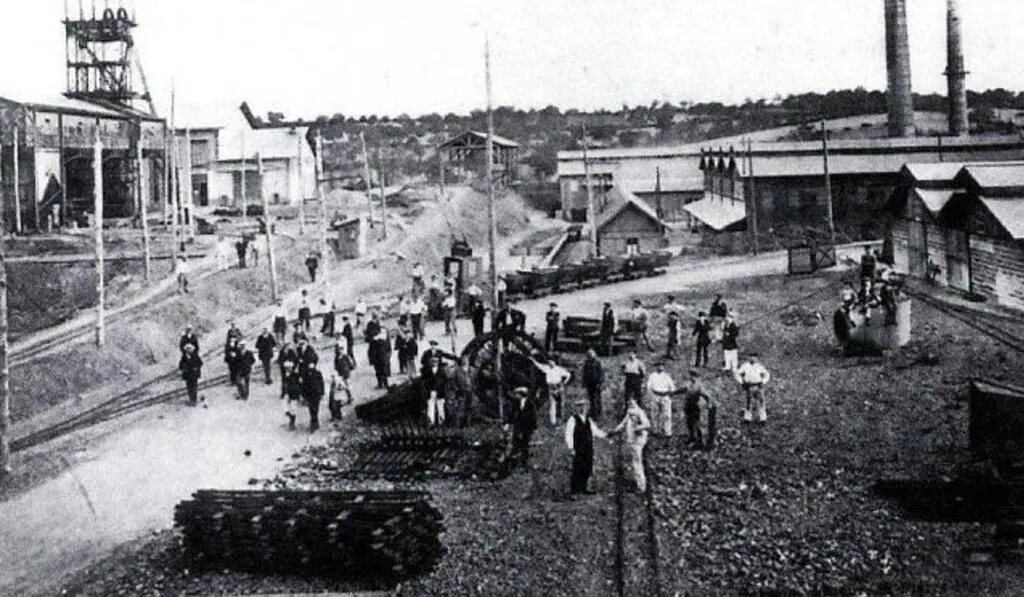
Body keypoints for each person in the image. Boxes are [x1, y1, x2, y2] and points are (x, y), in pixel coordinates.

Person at [565, 398, 607, 496]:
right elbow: (569, 434)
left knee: (587, 466)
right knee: (577, 467)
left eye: (583, 406)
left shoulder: (588, 419)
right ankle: (574, 491)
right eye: (579, 406)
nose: (582, 408)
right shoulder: (573, 419)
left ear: (586, 407)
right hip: (578, 447)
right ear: (576, 408)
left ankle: (583, 488)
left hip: (588, 447)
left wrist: (606, 435)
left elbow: (596, 431)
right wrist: (571, 448)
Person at [609, 397, 652, 493]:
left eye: (632, 401)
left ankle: (642, 486)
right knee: (633, 462)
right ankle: (636, 483)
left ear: (636, 402)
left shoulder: (640, 412)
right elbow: (623, 424)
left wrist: (638, 428)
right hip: (631, 440)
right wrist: (614, 431)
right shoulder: (630, 411)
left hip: (638, 441)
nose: (630, 403)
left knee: (637, 462)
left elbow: (647, 425)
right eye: (629, 402)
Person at [535, 355, 572, 426]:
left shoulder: (559, 369)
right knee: (552, 404)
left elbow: (568, 375)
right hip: (551, 387)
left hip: (559, 387)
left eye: (551, 362)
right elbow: (538, 365)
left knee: (560, 405)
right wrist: (532, 360)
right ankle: (553, 422)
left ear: (554, 362)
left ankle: (560, 420)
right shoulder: (546, 368)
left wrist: (564, 382)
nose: (550, 363)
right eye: (548, 362)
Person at [506, 387, 537, 469]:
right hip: (519, 425)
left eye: (517, 394)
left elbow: (534, 416)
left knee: (525, 444)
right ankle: (513, 460)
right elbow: (512, 413)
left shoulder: (530, 403)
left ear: (521, 395)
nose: (516, 395)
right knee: (515, 441)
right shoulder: (516, 402)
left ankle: (524, 462)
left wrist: (533, 428)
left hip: (527, 426)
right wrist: (508, 423)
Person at [735, 352, 771, 423]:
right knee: (748, 402)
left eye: (754, 357)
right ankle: (747, 418)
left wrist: (763, 382)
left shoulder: (759, 366)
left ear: (756, 358)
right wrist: (742, 382)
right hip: (749, 386)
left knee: (761, 401)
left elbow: (767, 374)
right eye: (751, 356)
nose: (752, 358)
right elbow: (737, 374)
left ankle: (762, 418)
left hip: (758, 386)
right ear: (748, 358)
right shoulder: (745, 366)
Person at [679, 369, 711, 448]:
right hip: (687, 406)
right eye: (690, 375)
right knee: (689, 423)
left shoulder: (699, 385)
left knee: (697, 424)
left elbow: (706, 395)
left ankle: (700, 441)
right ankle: (691, 437)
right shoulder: (687, 384)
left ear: (696, 376)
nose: (691, 377)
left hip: (695, 406)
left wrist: (709, 404)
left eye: (693, 376)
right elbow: (681, 390)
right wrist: (671, 392)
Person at [646, 361, 676, 437]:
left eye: (662, 365)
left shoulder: (667, 376)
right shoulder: (652, 376)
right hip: (655, 395)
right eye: (658, 365)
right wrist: (651, 396)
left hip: (665, 396)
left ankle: (667, 432)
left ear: (664, 367)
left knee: (667, 415)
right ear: (656, 367)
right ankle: (655, 430)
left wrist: (669, 395)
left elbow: (672, 388)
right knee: (655, 414)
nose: (660, 367)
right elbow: (649, 387)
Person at [422, 355, 448, 426]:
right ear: (430, 362)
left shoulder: (442, 371)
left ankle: (441, 422)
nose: (434, 363)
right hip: (430, 391)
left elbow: (445, 381)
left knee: (440, 407)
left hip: (440, 392)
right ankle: (431, 422)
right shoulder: (427, 371)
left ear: (438, 362)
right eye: (433, 361)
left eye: (436, 361)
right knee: (430, 407)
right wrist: (427, 388)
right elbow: (424, 381)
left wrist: (442, 388)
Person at [580, 348, 605, 420]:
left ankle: (597, 414)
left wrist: (600, 383)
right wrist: (583, 383)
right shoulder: (586, 362)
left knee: (596, 399)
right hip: (589, 383)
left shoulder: (598, 362)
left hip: (596, 383)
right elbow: (584, 373)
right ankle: (593, 412)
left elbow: (601, 373)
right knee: (591, 399)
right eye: (589, 356)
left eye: (591, 355)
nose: (590, 357)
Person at [451, 356, 475, 427]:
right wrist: (456, 389)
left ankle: (468, 422)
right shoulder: (457, 370)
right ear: (461, 361)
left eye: (467, 360)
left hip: (470, 391)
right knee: (461, 407)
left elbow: (475, 380)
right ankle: (458, 424)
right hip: (461, 391)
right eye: (464, 360)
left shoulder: (472, 370)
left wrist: (474, 387)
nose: (465, 361)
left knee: (469, 407)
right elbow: (452, 381)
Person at [300, 361, 325, 432]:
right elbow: (303, 385)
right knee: (311, 410)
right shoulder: (306, 375)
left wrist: (322, 393)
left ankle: (314, 424)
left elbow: (321, 383)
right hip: (309, 395)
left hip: (316, 394)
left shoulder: (318, 373)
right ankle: (314, 424)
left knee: (315, 409)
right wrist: (303, 395)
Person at [281, 360, 301, 430]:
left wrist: (297, 395)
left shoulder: (295, 375)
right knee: (285, 406)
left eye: (288, 368)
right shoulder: (285, 375)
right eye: (286, 368)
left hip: (293, 394)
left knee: (293, 408)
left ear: (291, 368)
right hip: (287, 394)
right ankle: (290, 418)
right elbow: (284, 385)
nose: (287, 369)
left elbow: (297, 385)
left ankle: (292, 423)